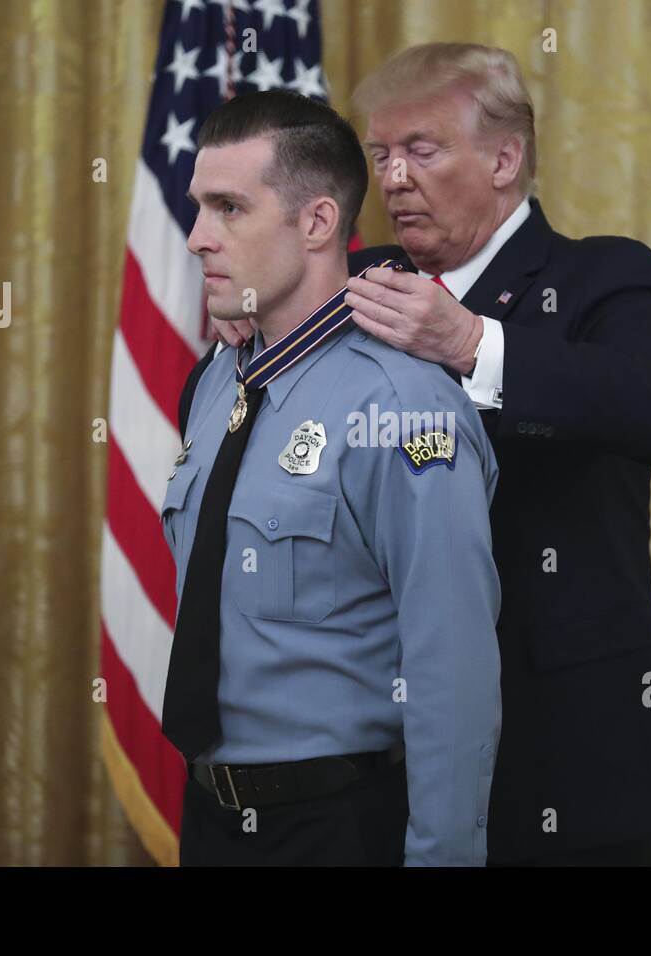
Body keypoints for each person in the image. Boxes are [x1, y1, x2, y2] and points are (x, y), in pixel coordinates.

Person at [345, 43, 651, 866]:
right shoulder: (357, 284)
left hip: (564, 747)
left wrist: (472, 343)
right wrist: (241, 324)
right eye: (381, 156)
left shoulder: (600, 276)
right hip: (387, 745)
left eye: (420, 151)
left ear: (505, 158)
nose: (393, 178)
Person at [161, 89, 501, 866]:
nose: (195, 239)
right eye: (197, 208)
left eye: (228, 209)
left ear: (316, 222)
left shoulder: (405, 406)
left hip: (336, 826)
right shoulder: (217, 382)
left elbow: (453, 673)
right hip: (210, 815)